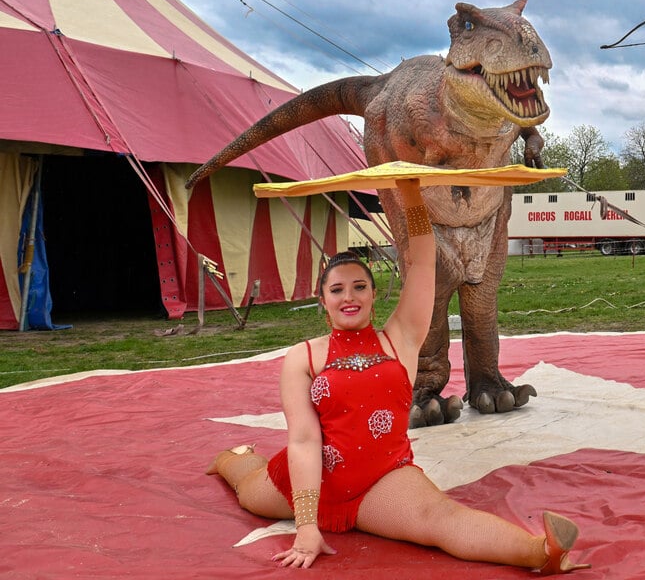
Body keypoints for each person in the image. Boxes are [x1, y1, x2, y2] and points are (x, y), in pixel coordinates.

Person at [206, 178, 587, 572]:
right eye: (337, 290)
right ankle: (233, 457)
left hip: (382, 480)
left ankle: (541, 552)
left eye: (359, 287)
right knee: (249, 490)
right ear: (322, 300)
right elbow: (303, 441)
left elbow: (423, 262)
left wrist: (408, 194)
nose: (349, 297)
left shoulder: (400, 339)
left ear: (374, 293)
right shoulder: (302, 357)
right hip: (310, 480)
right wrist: (305, 526)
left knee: (441, 519)